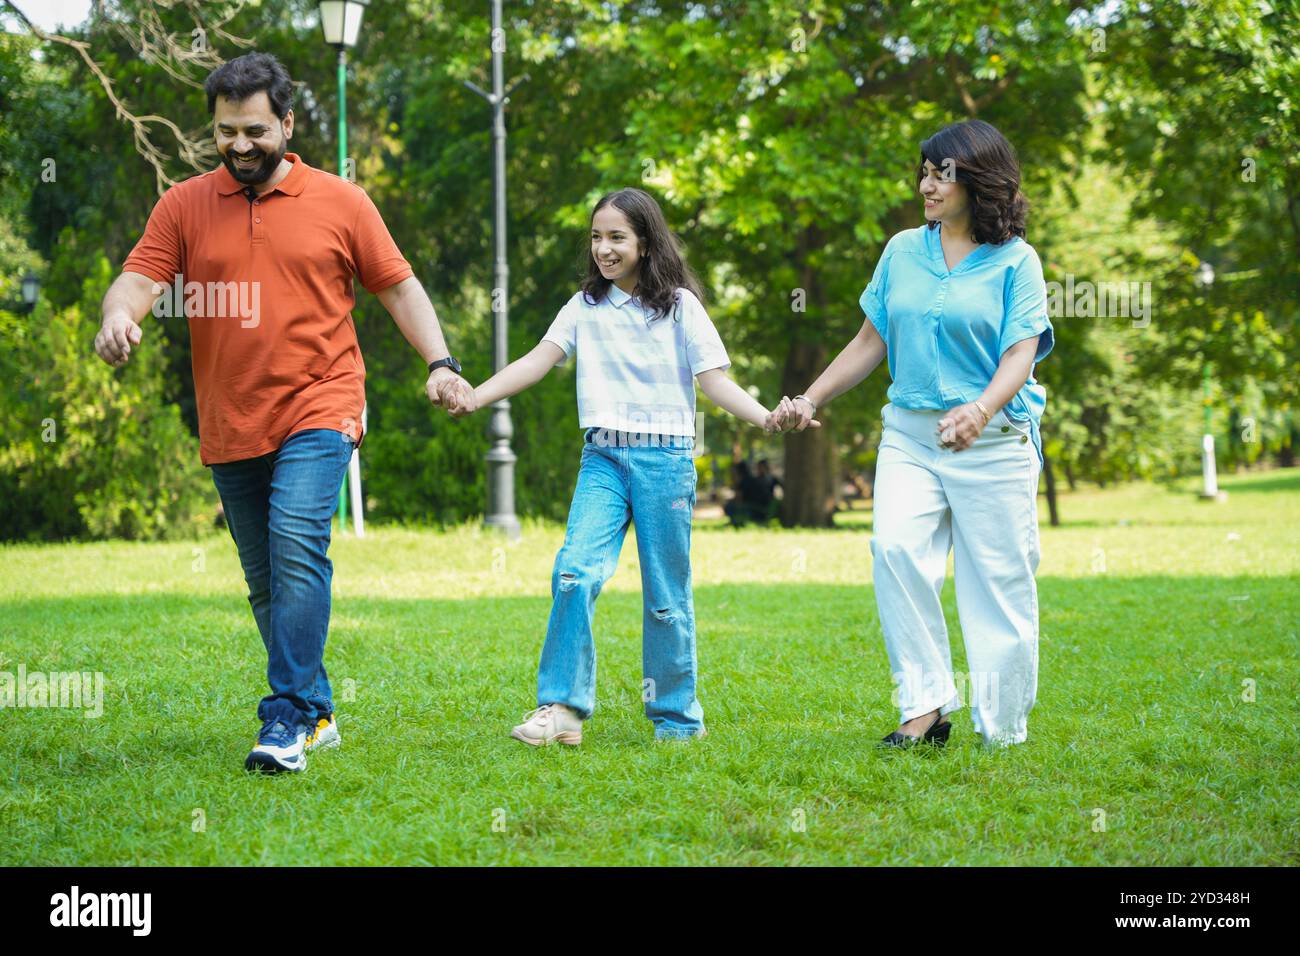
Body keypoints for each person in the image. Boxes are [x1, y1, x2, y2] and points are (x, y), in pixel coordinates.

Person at [94, 52, 473, 773]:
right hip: (231, 416)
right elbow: (138, 279)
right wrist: (120, 318)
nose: (240, 144)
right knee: (267, 578)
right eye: (227, 130)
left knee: (298, 541)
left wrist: (441, 362)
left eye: (256, 130)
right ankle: (318, 707)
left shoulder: (342, 202)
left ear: (289, 124)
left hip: (323, 399)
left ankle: (285, 718)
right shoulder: (183, 205)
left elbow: (398, 287)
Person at [447, 187, 778, 744]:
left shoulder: (680, 307)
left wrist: (767, 419)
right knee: (574, 572)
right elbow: (537, 360)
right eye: (597, 237)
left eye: (616, 237)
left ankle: (676, 720)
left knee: (666, 596)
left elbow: (714, 381)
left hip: (666, 461)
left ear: (646, 243)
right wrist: (476, 396)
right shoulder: (585, 307)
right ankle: (563, 710)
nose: (603, 248)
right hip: (602, 457)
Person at [771, 119, 1053, 749]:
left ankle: (1002, 729)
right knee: (895, 548)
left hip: (995, 441)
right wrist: (810, 397)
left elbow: (1020, 355)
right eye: (923, 171)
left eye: (939, 174)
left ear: (977, 182)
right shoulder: (903, 250)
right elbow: (871, 340)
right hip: (911, 435)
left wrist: (979, 410)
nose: (925, 184)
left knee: (998, 582)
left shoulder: (1017, 261)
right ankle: (925, 707)